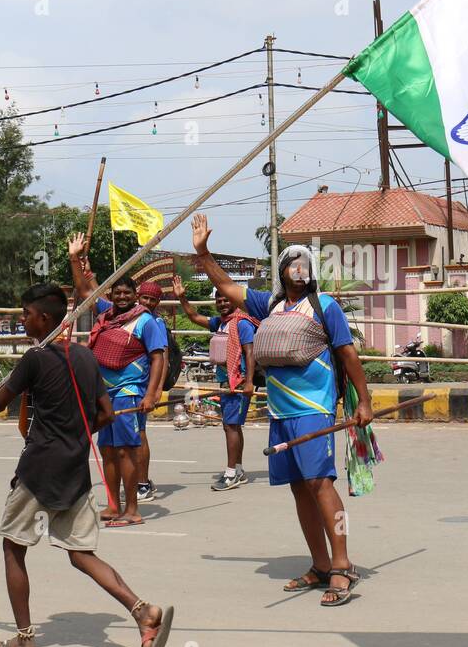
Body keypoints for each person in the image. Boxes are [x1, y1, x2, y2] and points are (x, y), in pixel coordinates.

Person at [0, 282, 173, 647]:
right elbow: (103, 415)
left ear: (45, 318)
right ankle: (143, 611)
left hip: (39, 470)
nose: (24, 320)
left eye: (27, 315)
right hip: (74, 469)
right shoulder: (87, 358)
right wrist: (73, 434)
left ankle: (23, 639)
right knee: (81, 554)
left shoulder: (35, 358)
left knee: (13, 548)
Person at [188, 214, 373, 606]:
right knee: (298, 489)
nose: (301, 267)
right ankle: (320, 564)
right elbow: (225, 287)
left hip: (313, 409)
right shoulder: (267, 305)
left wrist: (365, 402)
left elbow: (348, 354)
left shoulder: (325, 307)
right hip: (280, 413)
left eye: (306, 262)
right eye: (293, 261)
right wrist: (203, 253)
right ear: (282, 270)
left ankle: (342, 565)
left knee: (320, 484)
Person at [68, 233, 166, 526]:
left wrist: (152, 395)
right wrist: (75, 258)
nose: (122, 297)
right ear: (111, 295)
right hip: (103, 395)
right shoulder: (107, 315)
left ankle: (132, 509)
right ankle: (113, 504)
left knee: (126, 450)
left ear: (134, 295)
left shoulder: (145, 320)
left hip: (129, 392)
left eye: (127, 293)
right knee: (107, 450)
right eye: (117, 293)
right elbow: (85, 291)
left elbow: (158, 358)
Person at [171, 274, 257, 491]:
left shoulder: (241, 323)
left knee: (230, 426)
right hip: (226, 381)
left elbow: (250, 353)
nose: (222, 303)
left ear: (235, 301)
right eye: (218, 300)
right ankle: (237, 469)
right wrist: (182, 298)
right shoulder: (221, 323)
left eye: (226, 299)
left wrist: (248, 382)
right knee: (233, 426)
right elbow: (194, 317)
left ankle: (230, 474)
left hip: (237, 382)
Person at [133, 280, 168, 503]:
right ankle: (135, 481)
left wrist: (155, 390)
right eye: (144, 298)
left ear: (157, 302)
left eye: (152, 299)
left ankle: (143, 483)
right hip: (127, 386)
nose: (147, 302)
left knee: (139, 433)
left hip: (142, 386)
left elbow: (162, 358)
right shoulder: (129, 317)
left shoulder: (155, 322)